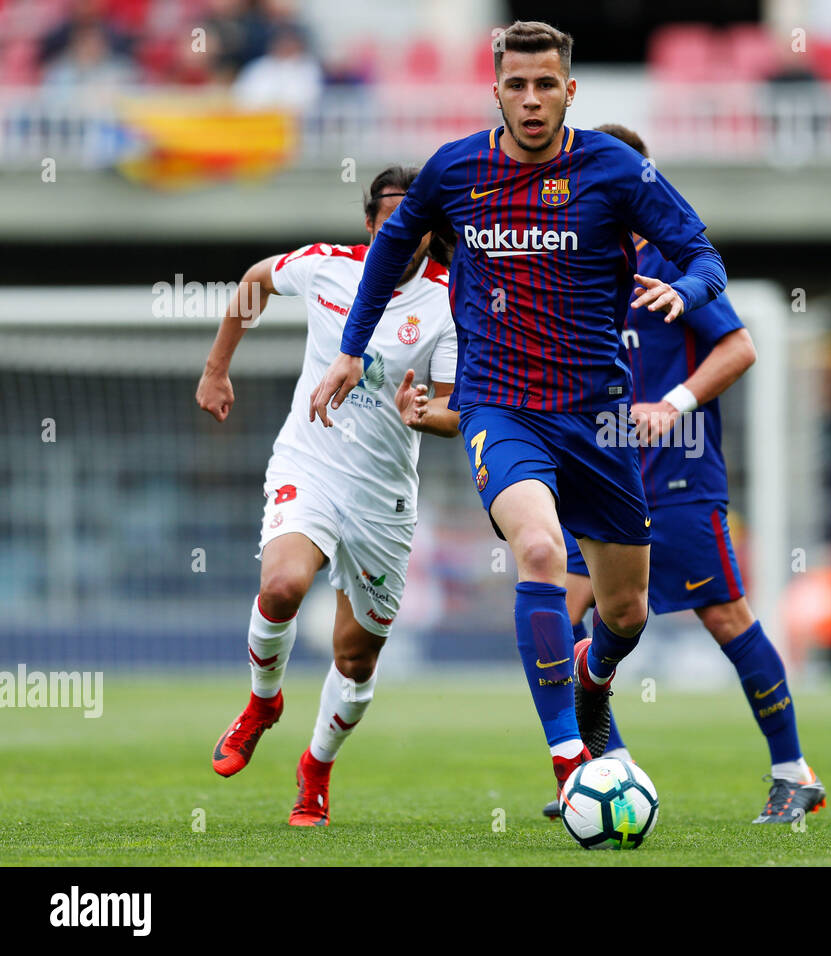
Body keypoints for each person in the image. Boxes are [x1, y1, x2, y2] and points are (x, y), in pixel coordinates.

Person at [307, 21, 728, 802]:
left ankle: (593, 676)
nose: (531, 100)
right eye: (516, 85)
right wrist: (349, 349)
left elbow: (704, 254)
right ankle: (570, 757)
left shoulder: (616, 170)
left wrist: (689, 291)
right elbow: (391, 253)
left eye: (546, 85)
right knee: (538, 551)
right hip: (501, 408)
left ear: (570, 91)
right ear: (495, 89)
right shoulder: (455, 169)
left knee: (627, 610)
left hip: (597, 415)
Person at [537, 123, 825, 825]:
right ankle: (607, 768)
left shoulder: (672, 260)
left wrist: (674, 403)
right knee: (557, 617)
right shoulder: (568, 266)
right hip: (599, 482)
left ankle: (794, 772)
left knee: (725, 615)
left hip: (676, 480)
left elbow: (740, 346)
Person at [196, 166, 458, 825]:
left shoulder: (450, 301)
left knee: (355, 656)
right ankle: (263, 703)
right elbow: (257, 280)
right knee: (282, 587)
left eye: (415, 220)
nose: (401, 230)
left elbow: (461, 409)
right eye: (389, 218)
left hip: (383, 497)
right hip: (309, 461)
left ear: (429, 231)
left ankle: (315, 768)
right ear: (372, 223)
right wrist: (216, 368)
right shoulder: (326, 267)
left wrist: (421, 411)